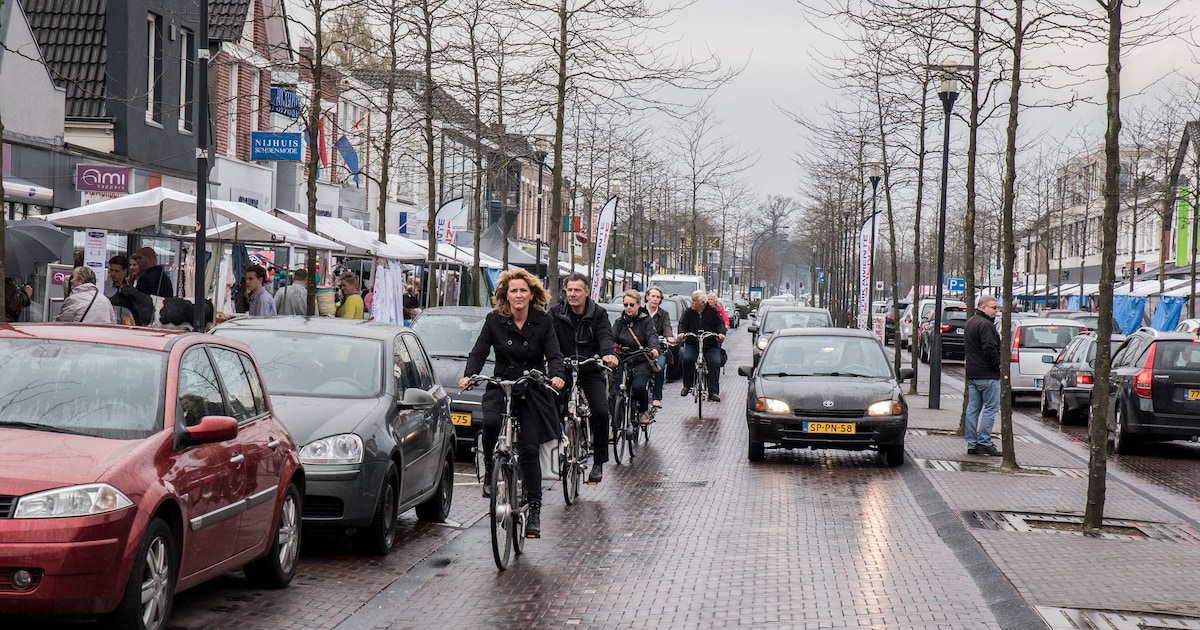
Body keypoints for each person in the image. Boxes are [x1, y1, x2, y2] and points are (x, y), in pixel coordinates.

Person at [459, 269, 564, 539]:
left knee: (529, 448)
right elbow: (480, 350)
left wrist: (557, 375)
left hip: (531, 387)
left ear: (531, 295)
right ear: (506, 294)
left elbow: (554, 354)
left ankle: (536, 511)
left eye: (523, 291)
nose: (518, 295)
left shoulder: (543, 321)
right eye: (513, 291)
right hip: (502, 385)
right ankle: (490, 470)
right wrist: (470, 374)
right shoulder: (494, 320)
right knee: (491, 422)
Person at [551, 273, 619, 484]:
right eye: (569, 290)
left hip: (589, 367)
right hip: (563, 367)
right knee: (551, 404)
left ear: (587, 292)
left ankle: (598, 462)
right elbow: (549, 337)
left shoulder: (598, 313)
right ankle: (556, 447)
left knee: (600, 411)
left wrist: (608, 354)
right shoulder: (555, 312)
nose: (572, 294)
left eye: (577, 290)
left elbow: (605, 335)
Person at [613, 290, 660, 427]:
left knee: (639, 387)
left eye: (631, 305)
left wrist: (654, 348)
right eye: (625, 304)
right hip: (623, 359)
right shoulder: (619, 322)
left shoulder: (646, 320)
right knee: (615, 393)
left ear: (638, 305)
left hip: (641, 360)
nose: (628, 307)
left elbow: (652, 336)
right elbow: (610, 337)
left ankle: (643, 411)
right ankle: (615, 426)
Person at [964, 294, 1002, 457]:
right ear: (983, 307)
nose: (996, 311)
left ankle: (972, 443)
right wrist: (998, 367)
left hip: (973, 373)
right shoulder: (986, 325)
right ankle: (984, 442)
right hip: (987, 374)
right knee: (990, 409)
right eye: (994, 308)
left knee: (973, 409)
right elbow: (990, 349)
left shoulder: (971, 322)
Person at [678, 290, 727, 402]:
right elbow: (682, 324)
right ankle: (687, 385)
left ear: (702, 303)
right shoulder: (688, 312)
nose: (692, 303)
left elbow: (720, 324)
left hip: (710, 344)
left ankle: (713, 391)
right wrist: (681, 333)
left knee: (715, 362)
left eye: (694, 301)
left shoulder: (713, 312)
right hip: (693, 343)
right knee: (687, 359)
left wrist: (721, 334)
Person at [644, 286, 675, 408]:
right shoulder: (640, 311)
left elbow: (667, 327)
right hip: (642, 348)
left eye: (658, 297)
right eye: (652, 296)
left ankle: (657, 397)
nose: (655, 299)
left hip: (659, 348)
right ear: (647, 297)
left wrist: (669, 337)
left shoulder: (663, 314)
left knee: (659, 367)